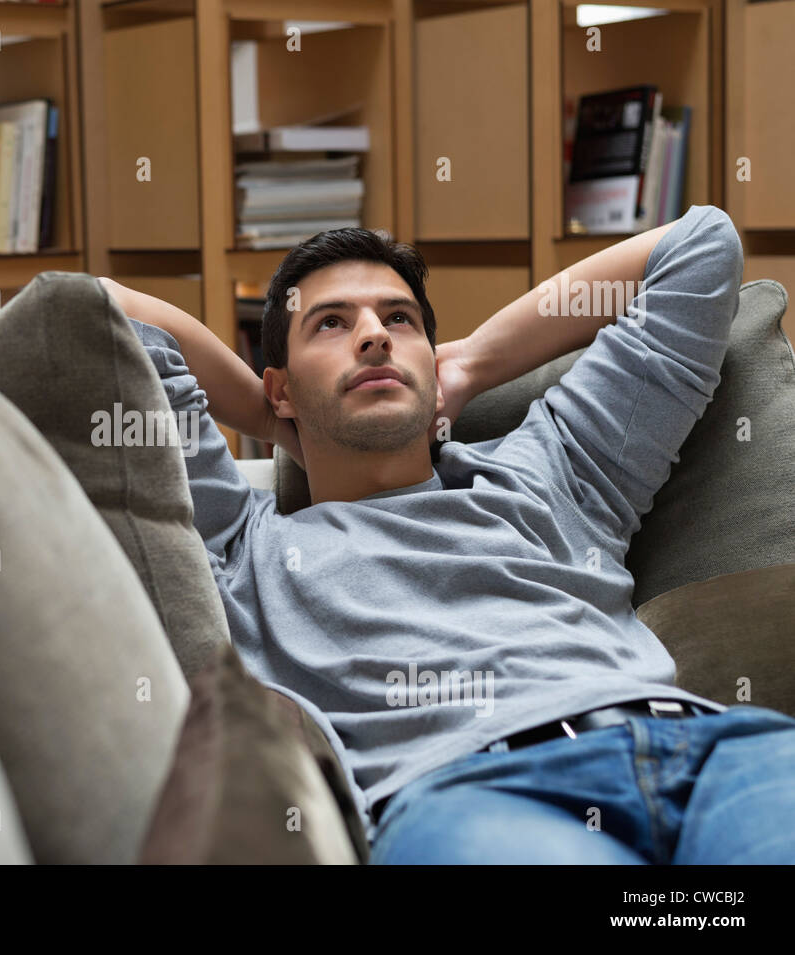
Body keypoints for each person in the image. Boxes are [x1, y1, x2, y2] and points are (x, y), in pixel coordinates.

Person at [98, 204, 795, 864]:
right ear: (281, 386)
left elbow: (703, 247)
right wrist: (267, 414)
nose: (373, 334)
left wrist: (470, 364)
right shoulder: (240, 546)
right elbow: (102, 309)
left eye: (398, 319)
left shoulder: (555, 467)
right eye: (330, 324)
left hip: (711, 753)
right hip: (473, 795)